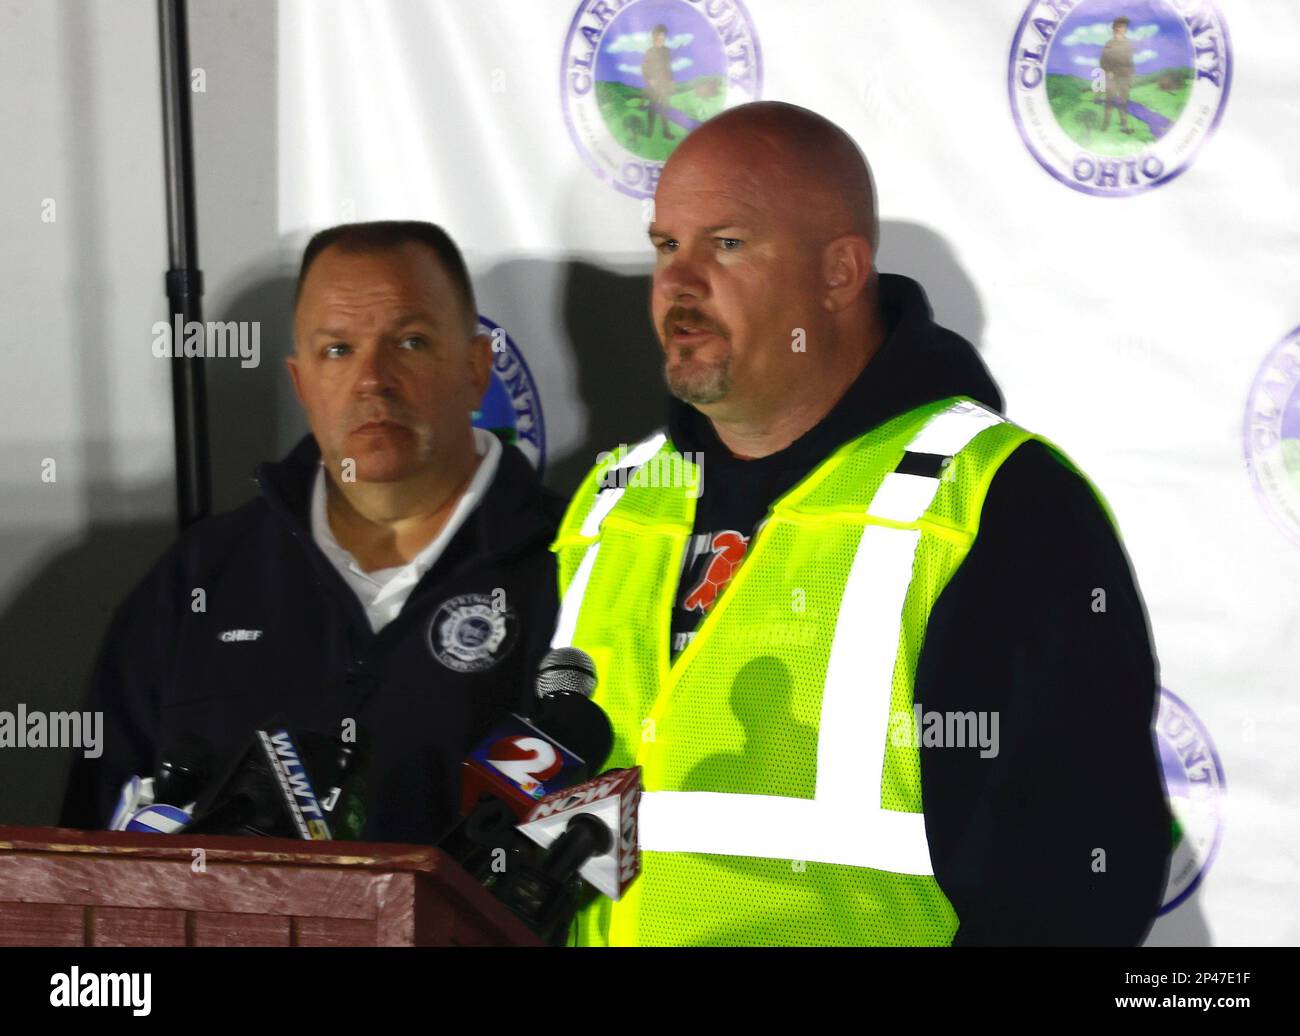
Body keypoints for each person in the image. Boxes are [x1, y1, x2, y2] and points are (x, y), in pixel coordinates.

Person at [551, 102, 1172, 945]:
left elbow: (1076, 885)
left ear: (840, 274)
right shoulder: (611, 502)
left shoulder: (999, 503)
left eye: (726, 245)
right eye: (666, 246)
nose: (677, 285)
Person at [60, 221, 563, 844]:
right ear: (300, 383)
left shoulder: (577, 565)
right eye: (337, 350)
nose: (373, 378)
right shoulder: (197, 582)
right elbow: (90, 865)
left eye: (409, 342)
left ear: (475, 368)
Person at [1100, 16, 1137, 135]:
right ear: (1115, 28)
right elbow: (1103, 61)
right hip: (1112, 77)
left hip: (1125, 77)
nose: (1122, 29)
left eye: (1124, 27)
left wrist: (1132, 77)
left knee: (1123, 103)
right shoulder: (1109, 44)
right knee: (1109, 101)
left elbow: (1130, 62)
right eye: (1120, 27)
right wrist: (1108, 71)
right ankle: (1105, 125)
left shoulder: (1128, 44)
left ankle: (1124, 127)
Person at [642, 24, 677, 143]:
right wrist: (649, 79)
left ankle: (666, 133)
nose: (661, 40)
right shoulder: (649, 52)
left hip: (664, 85)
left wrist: (671, 79)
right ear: (654, 38)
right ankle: (649, 131)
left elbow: (668, 67)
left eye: (663, 38)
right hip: (653, 85)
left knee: (664, 109)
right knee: (652, 108)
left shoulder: (666, 51)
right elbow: (644, 68)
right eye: (658, 38)